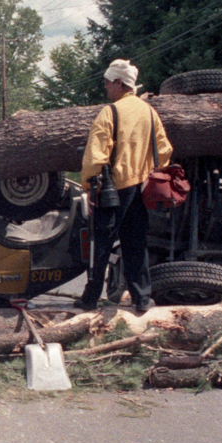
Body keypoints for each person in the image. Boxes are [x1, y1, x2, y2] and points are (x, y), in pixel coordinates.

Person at [77, 59, 173, 313]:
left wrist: (89, 185)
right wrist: (144, 167)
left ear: (119, 83)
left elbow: (96, 154)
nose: (106, 87)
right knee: (136, 242)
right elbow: (164, 151)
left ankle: (90, 298)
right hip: (141, 187)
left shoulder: (110, 112)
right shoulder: (149, 112)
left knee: (102, 243)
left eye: (108, 82)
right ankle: (142, 297)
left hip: (111, 188)